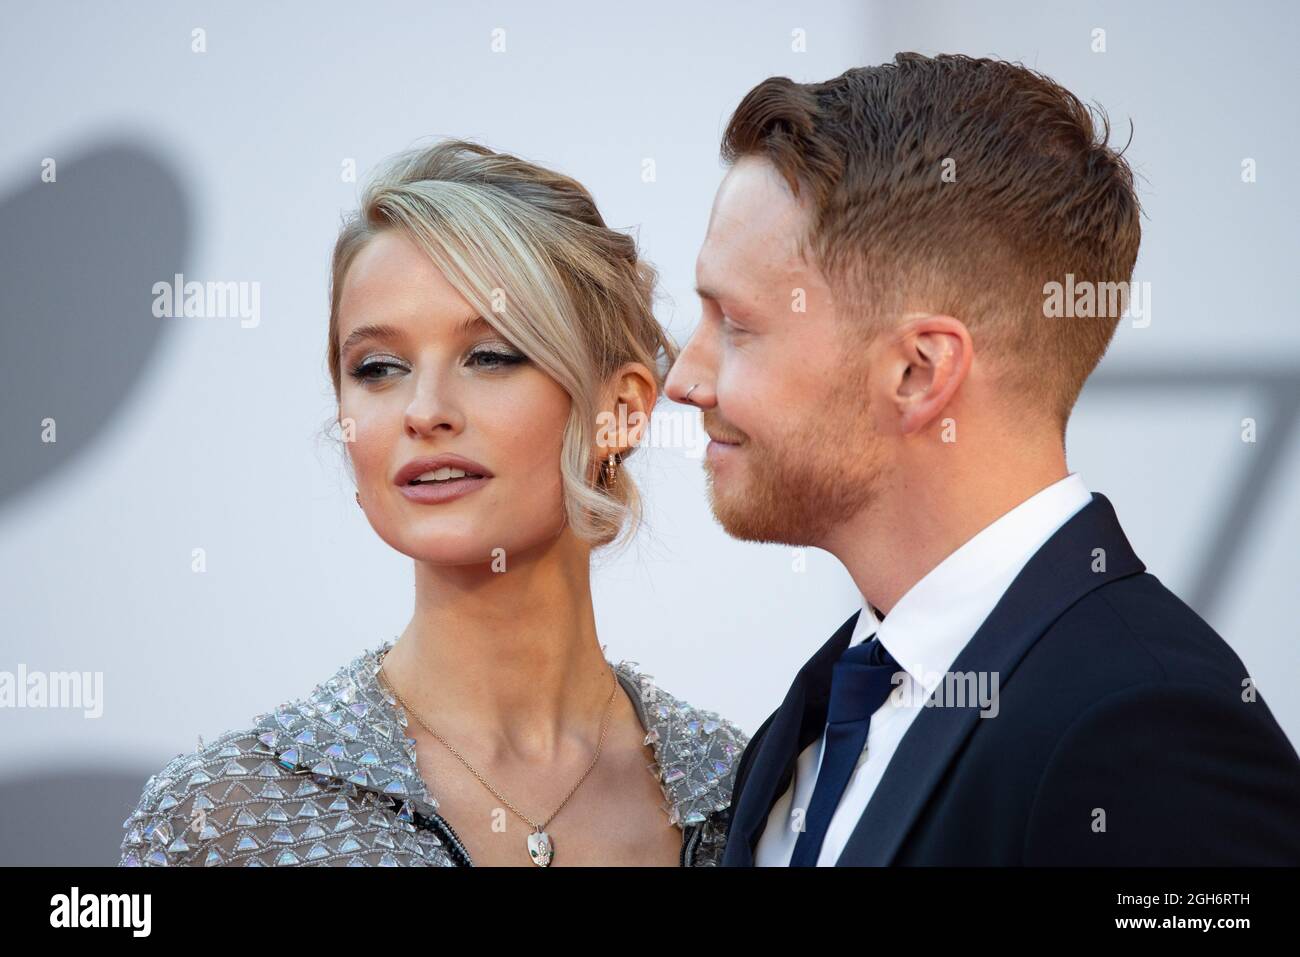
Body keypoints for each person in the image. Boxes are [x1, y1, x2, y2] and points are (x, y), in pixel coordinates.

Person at [665, 53, 1300, 865]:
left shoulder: (1145, 729)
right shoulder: (824, 709)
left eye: (737, 325)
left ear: (919, 372)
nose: (685, 378)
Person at [119, 138, 747, 867]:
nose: (424, 411)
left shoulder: (749, 793)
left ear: (621, 410)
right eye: (378, 368)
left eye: (490, 355)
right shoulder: (219, 820)